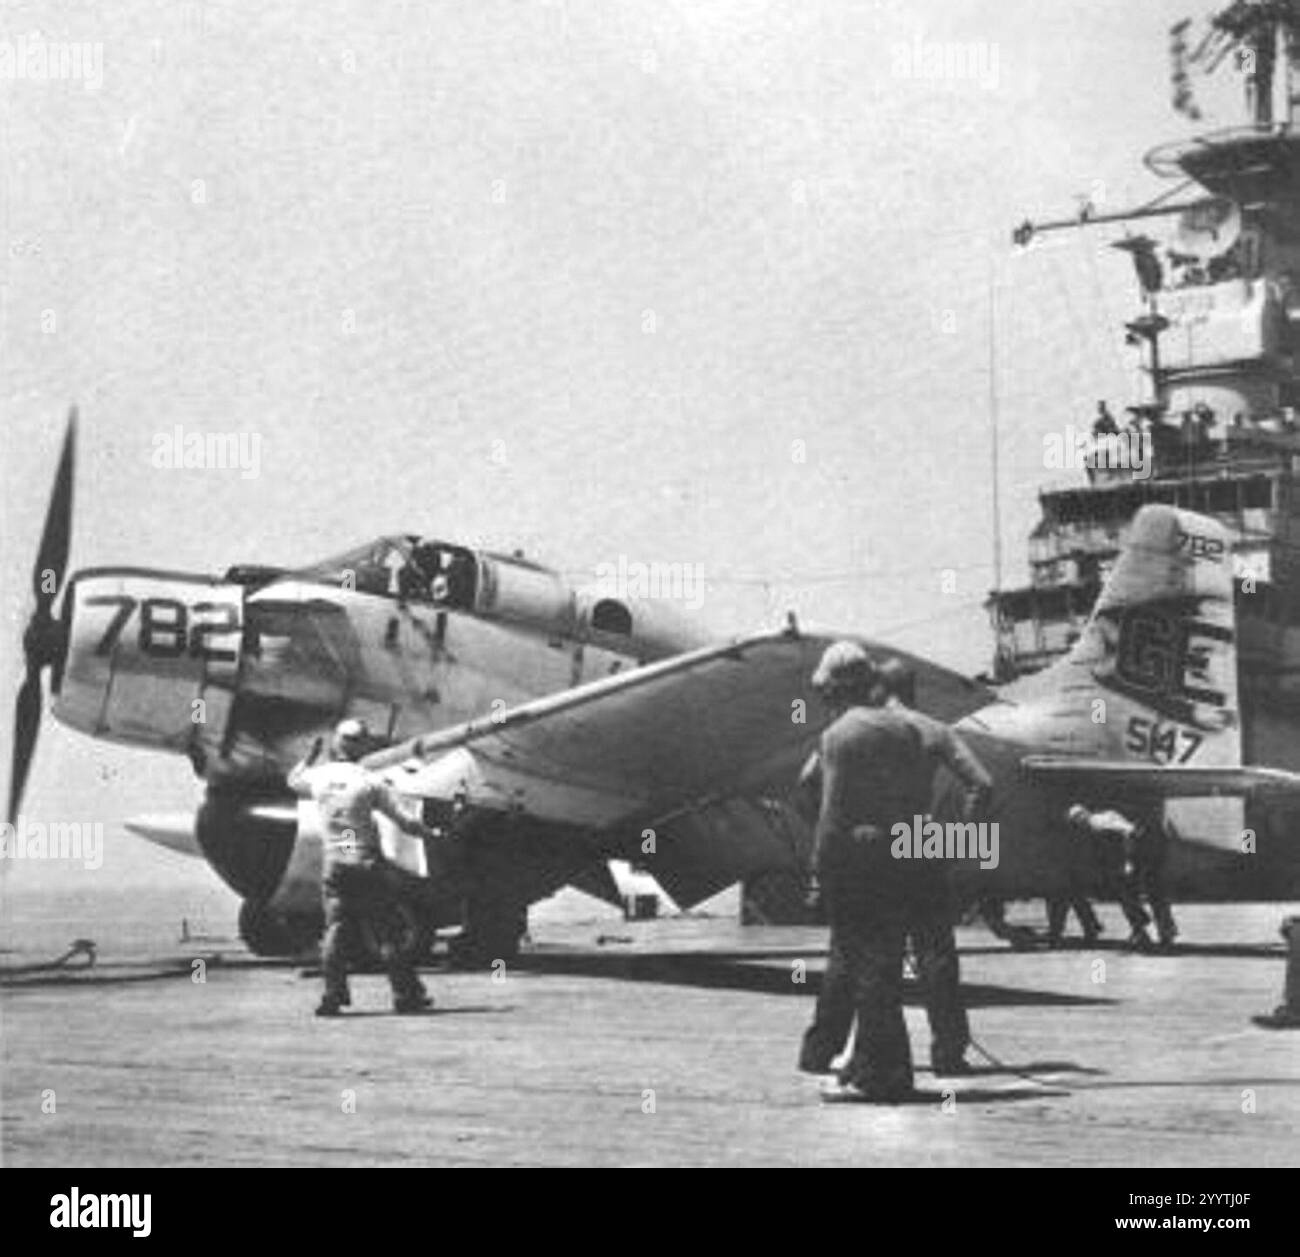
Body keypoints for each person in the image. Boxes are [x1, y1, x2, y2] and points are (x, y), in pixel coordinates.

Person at [796, 643, 973, 1102]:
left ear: (837, 689)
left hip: (856, 862)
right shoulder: (913, 730)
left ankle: (877, 1072)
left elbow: (828, 809)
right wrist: (947, 842)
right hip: (911, 853)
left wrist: (818, 871)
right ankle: (892, 1059)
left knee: (860, 967)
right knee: (901, 962)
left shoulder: (840, 734)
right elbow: (976, 787)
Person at [289, 718, 440, 1016]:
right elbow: (404, 821)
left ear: (336, 744)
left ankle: (332, 996)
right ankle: (406, 995)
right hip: (366, 864)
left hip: (336, 863)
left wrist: (310, 756)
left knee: (335, 931)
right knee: (387, 932)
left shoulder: (320, 778)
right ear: (364, 746)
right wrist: (430, 833)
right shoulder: (369, 781)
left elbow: (293, 780)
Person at [1066, 803, 1176, 951]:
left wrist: (1128, 861)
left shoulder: (1098, 824)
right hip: (1141, 854)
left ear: (1082, 816)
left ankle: (1150, 930)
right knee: (1134, 895)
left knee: (1133, 894)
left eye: (1077, 820)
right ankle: (1151, 931)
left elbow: (1128, 832)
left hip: (1138, 856)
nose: (1078, 825)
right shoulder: (1104, 817)